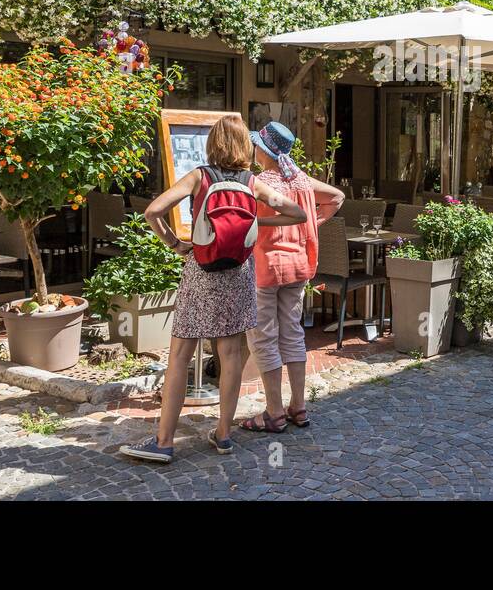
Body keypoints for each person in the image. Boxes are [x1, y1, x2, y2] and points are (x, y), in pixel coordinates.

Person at [120, 116, 306, 463]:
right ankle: (223, 434)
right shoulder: (252, 182)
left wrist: (176, 243)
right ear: (243, 147)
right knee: (231, 355)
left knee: (179, 356)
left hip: (201, 271)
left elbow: (153, 211)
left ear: (212, 144)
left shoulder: (199, 176)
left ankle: (163, 441)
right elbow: (296, 213)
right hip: (238, 272)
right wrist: (257, 221)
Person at [240, 121, 345, 434]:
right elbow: (337, 197)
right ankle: (298, 406)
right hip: (298, 265)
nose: (253, 149)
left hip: (266, 267)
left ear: (264, 150)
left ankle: (273, 412)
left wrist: (265, 223)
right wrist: (310, 224)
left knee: (264, 337)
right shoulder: (299, 179)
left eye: (256, 144)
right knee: (293, 333)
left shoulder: (260, 183)